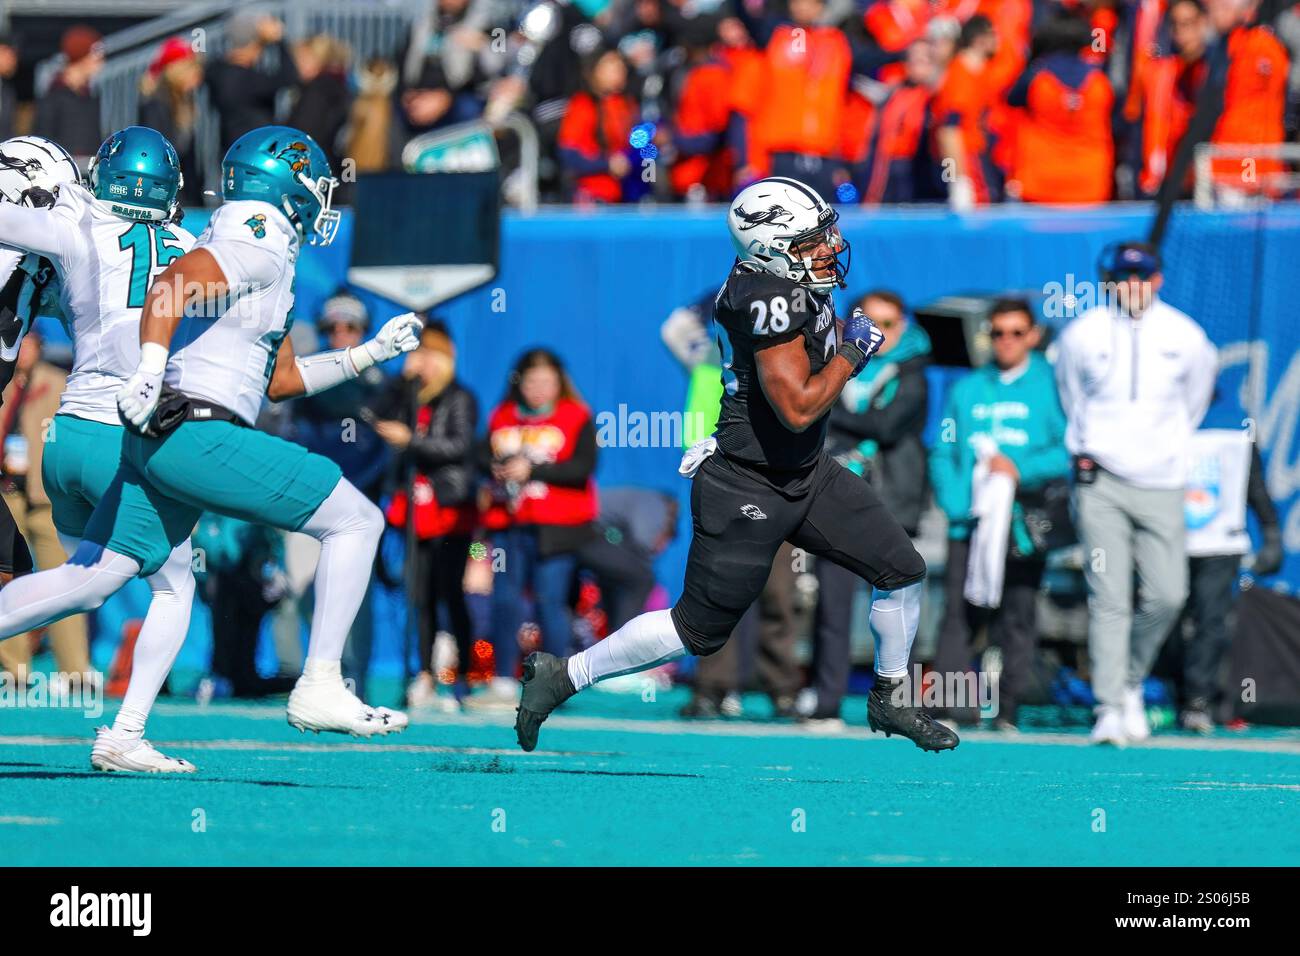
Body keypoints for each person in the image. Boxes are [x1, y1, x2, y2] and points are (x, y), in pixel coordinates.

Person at [0, 126, 423, 772]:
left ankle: (124, 734)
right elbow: (169, 289)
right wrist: (146, 371)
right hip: (193, 429)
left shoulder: (247, 248)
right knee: (358, 519)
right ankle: (320, 681)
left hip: (149, 430)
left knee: (98, 576)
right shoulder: (256, 240)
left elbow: (281, 379)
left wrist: (368, 353)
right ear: (289, 187)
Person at [514, 177, 955, 754]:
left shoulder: (790, 282)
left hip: (804, 473)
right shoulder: (765, 298)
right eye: (811, 240)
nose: (828, 249)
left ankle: (890, 697)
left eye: (826, 235)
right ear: (770, 246)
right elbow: (797, 408)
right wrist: (853, 352)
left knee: (902, 569)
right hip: (749, 483)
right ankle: (562, 675)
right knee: (695, 630)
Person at [0, 128, 201, 773]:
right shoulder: (188, 247)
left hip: (68, 442)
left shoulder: (69, 231)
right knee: (159, 582)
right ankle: (126, 733)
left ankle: (124, 733)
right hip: (123, 435)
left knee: (49, 572)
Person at [1054, 241, 1217, 744]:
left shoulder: (1186, 336)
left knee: (1170, 593)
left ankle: (1129, 680)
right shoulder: (1083, 334)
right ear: (1109, 283)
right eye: (1123, 278)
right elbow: (1071, 396)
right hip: (1101, 479)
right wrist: (1097, 447)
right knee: (1109, 597)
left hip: (1162, 481)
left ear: (1159, 279)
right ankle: (1107, 707)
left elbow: (1196, 400)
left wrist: (1161, 449)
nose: (1132, 287)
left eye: (1142, 276)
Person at [928, 298, 1071, 729]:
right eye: (997, 333)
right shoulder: (967, 388)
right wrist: (958, 505)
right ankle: (954, 707)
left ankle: (1008, 709)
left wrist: (1020, 468)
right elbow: (943, 449)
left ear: (1033, 336)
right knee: (959, 613)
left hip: (1021, 524)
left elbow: (1067, 450)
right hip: (968, 524)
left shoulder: (1050, 386)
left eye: (1015, 332)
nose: (1005, 341)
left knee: (1018, 613)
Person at [807, 288, 931, 728]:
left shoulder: (912, 374)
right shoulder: (830, 365)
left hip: (891, 505)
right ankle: (826, 702)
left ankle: (899, 704)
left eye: (891, 324)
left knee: (898, 611)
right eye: (871, 323)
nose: (881, 334)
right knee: (833, 609)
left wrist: (823, 406)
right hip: (837, 503)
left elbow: (886, 425)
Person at [278, 292, 392, 700]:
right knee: (303, 592)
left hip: (358, 503)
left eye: (350, 327)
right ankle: (313, 675)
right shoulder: (307, 377)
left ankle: (354, 680)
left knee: (353, 596)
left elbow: (384, 447)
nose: (340, 334)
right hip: (309, 501)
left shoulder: (382, 384)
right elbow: (290, 423)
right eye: (332, 328)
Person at [477, 348, 597, 710]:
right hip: (508, 525)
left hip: (558, 528)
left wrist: (533, 471)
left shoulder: (576, 416)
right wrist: (496, 468)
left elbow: (582, 468)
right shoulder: (502, 416)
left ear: (560, 383)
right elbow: (479, 453)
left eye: (547, 381)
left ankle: (554, 682)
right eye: (531, 381)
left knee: (550, 602)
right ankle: (502, 681)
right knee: (505, 600)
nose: (538, 389)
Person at [371, 319, 478, 709]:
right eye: (419, 355)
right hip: (413, 509)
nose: (424, 364)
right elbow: (375, 414)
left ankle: (463, 677)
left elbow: (460, 446)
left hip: (450, 508)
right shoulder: (408, 396)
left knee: (450, 592)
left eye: (431, 355)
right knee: (420, 596)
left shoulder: (460, 397)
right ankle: (424, 674)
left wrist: (412, 440)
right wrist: (401, 383)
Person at [0, 328, 92, 687]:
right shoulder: (4, 382)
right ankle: (14, 669)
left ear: (39, 346)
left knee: (65, 579)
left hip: (44, 494)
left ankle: (75, 670)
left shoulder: (58, 382)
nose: (23, 350)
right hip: (7, 494)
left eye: (29, 343)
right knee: (6, 578)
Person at [205, 13, 299, 154]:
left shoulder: (217, 72)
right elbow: (289, 77)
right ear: (255, 44)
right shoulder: (249, 80)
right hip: (255, 154)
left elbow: (214, 64)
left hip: (231, 151)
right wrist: (279, 41)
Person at [557, 49, 639, 203]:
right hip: (592, 195)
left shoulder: (627, 105)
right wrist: (607, 164)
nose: (619, 69)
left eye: (620, 64)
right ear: (595, 72)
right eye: (611, 64)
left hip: (625, 194)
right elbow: (569, 155)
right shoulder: (583, 105)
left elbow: (639, 146)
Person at [138, 37, 207, 208]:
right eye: (194, 71)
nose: (198, 78)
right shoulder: (157, 105)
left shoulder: (184, 103)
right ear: (179, 72)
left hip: (186, 195)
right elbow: (158, 154)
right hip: (168, 195)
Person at [33, 26, 104, 160]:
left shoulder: (90, 96)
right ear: (82, 56)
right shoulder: (53, 97)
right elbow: (43, 140)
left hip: (87, 173)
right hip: (62, 172)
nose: (101, 62)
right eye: (96, 55)